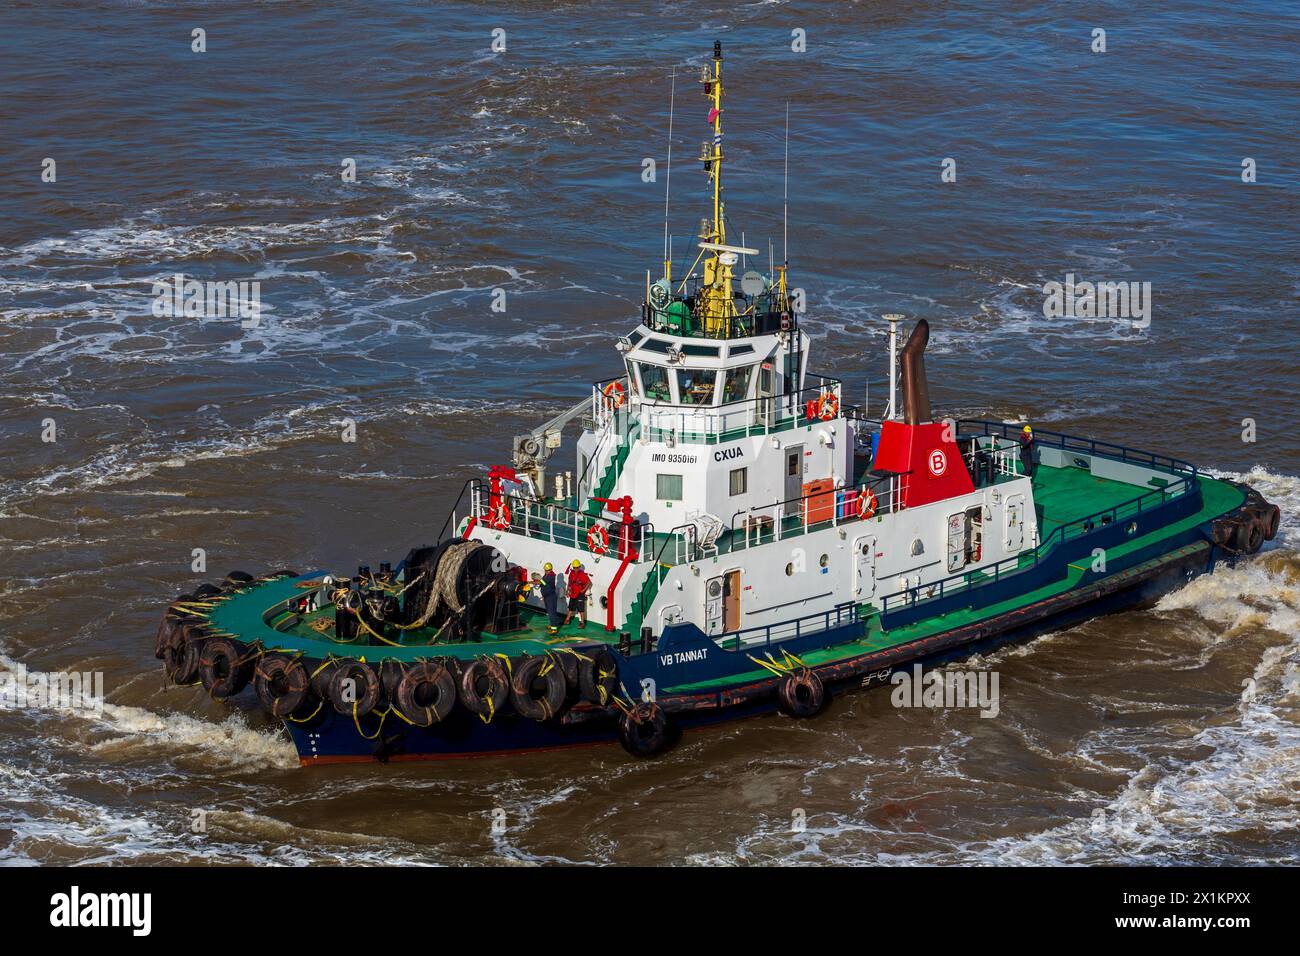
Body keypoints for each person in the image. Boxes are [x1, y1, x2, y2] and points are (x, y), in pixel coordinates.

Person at [563, 559, 592, 629]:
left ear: (579, 567)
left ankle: (582, 622)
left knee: (581, 609)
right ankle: (567, 619)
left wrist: (583, 590)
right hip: (572, 593)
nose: (575, 569)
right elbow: (569, 582)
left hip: (579, 594)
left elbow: (589, 582)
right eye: (574, 567)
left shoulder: (582, 574)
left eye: (577, 567)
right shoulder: (572, 573)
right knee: (570, 607)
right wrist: (567, 590)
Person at [538, 562, 561, 635]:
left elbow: (545, 583)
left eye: (547, 570)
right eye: (545, 570)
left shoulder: (551, 576)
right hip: (547, 597)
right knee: (549, 612)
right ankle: (552, 625)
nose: (546, 571)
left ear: (550, 570)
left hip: (551, 597)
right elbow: (543, 584)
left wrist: (539, 579)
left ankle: (554, 629)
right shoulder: (547, 575)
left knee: (552, 613)